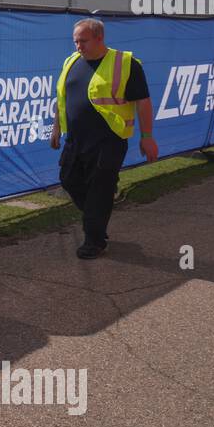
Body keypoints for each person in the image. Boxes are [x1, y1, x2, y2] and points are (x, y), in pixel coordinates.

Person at [49, 17, 158, 259]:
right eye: (76, 41)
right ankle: (98, 214)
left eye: (83, 41)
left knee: (99, 190)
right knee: (69, 180)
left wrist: (147, 136)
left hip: (108, 140)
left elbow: (143, 102)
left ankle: (94, 241)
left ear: (100, 38)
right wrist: (55, 128)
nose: (79, 46)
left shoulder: (126, 64)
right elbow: (61, 98)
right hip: (76, 140)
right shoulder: (71, 61)